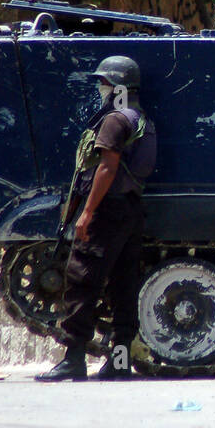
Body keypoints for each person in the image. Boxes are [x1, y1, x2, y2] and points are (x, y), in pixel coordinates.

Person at [36, 55, 157, 382]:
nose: (100, 88)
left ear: (116, 86)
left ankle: (73, 358)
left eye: (104, 82)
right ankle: (119, 361)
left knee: (82, 279)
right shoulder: (141, 118)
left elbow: (107, 167)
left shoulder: (115, 121)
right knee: (123, 285)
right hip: (130, 209)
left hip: (108, 209)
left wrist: (86, 213)